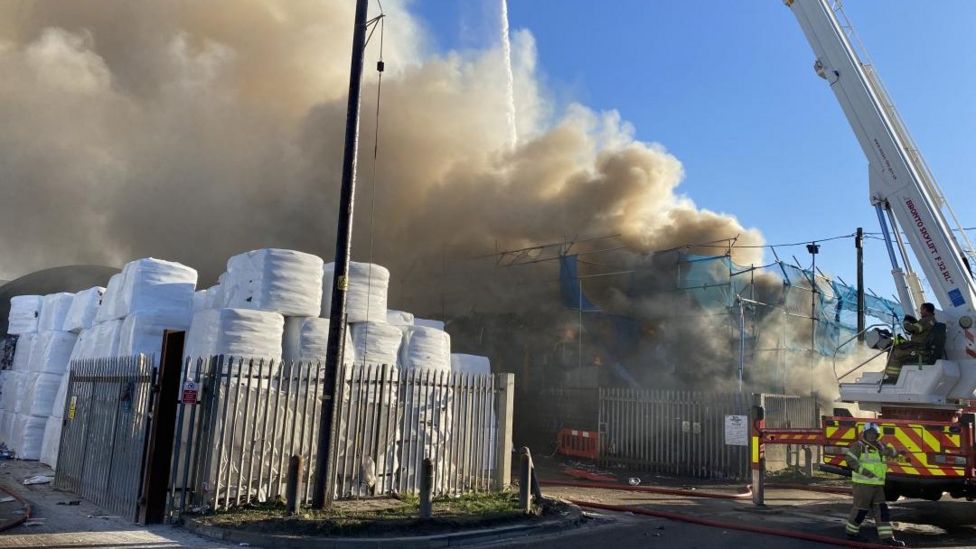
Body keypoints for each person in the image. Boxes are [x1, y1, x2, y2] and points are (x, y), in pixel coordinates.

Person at [843, 422, 905, 546]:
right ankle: (852, 534)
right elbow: (850, 460)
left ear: (877, 435)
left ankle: (887, 537)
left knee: (882, 511)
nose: (872, 436)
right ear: (864, 434)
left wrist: (900, 453)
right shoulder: (858, 446)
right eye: (869, 433)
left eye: (874, 434)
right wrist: (865, 472)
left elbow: (891, 452)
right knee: (860, 510)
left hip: (877, 485)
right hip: (863, 484)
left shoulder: (880, 446)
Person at [883, 302, 937, 384]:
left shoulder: (926, 320)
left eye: (921, 309)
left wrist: (906, 322)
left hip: (919, 349)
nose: (920, 311)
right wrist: (915, 323)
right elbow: (920, 330)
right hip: (921, 347)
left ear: (926, 310)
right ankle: (896, 375)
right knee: (899, 346)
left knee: (895, 352)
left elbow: (912, 329)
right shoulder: (932, 320)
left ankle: (893, 378)